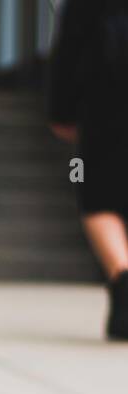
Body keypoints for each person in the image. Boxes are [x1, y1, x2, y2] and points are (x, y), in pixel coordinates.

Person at [50, 0, 128, 340]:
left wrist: (61, 111)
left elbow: (68, 50)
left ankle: (122, 276)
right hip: (105, 102)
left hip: (105, 103)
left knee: (98, 197)